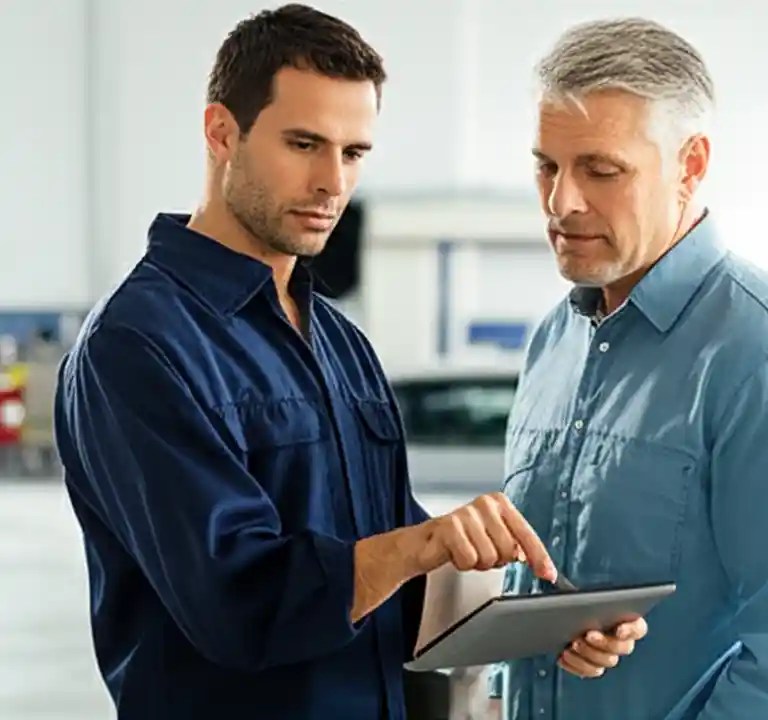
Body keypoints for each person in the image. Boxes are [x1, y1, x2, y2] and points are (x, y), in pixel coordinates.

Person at [51, 6, 641, 719]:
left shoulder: (339, 339)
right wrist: (419, 545)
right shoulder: (138, 345)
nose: (333, 182)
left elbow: (400, 585)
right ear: (221, 133)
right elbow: (238, 604)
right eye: (304, 144)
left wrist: (552, 622)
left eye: (354, 152)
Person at [490, 16, 768, 720]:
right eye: (546, 166)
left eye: (601, 170)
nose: (560, 202)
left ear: (690, 164)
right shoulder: (553, 342)